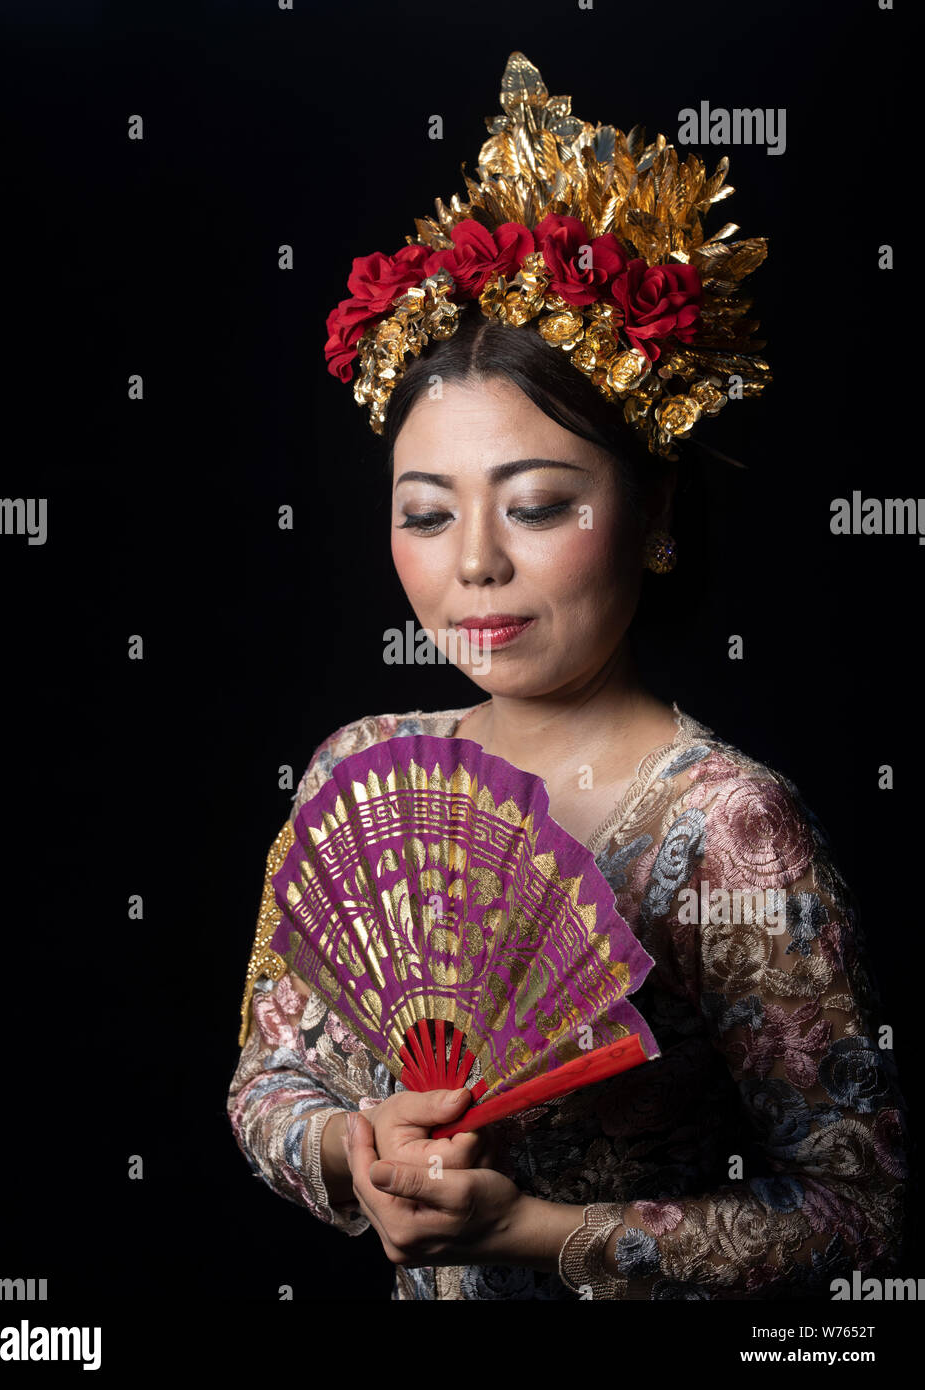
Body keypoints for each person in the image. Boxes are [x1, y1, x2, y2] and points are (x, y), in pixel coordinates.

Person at [226, 52, 909, 1300]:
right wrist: (353, 1145)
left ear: (652, 515)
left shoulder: (725, 826)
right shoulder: (363, 772)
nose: (476, 564)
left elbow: (855, 1211)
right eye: (426, 515)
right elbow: (267, 1081)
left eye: (537, 505)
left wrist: (528, 1228)